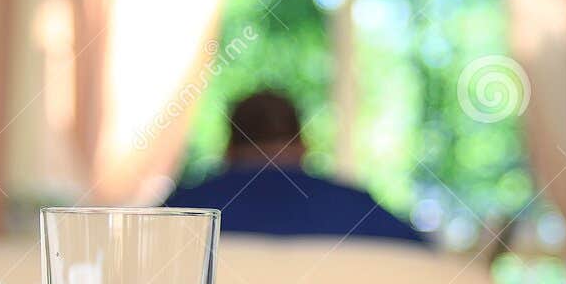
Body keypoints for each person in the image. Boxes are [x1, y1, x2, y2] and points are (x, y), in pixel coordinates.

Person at [163, 91, 426, 245]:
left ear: (228, 149)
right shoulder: (359, 210)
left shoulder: (179, 213)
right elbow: (429, 264)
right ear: (303, 146)